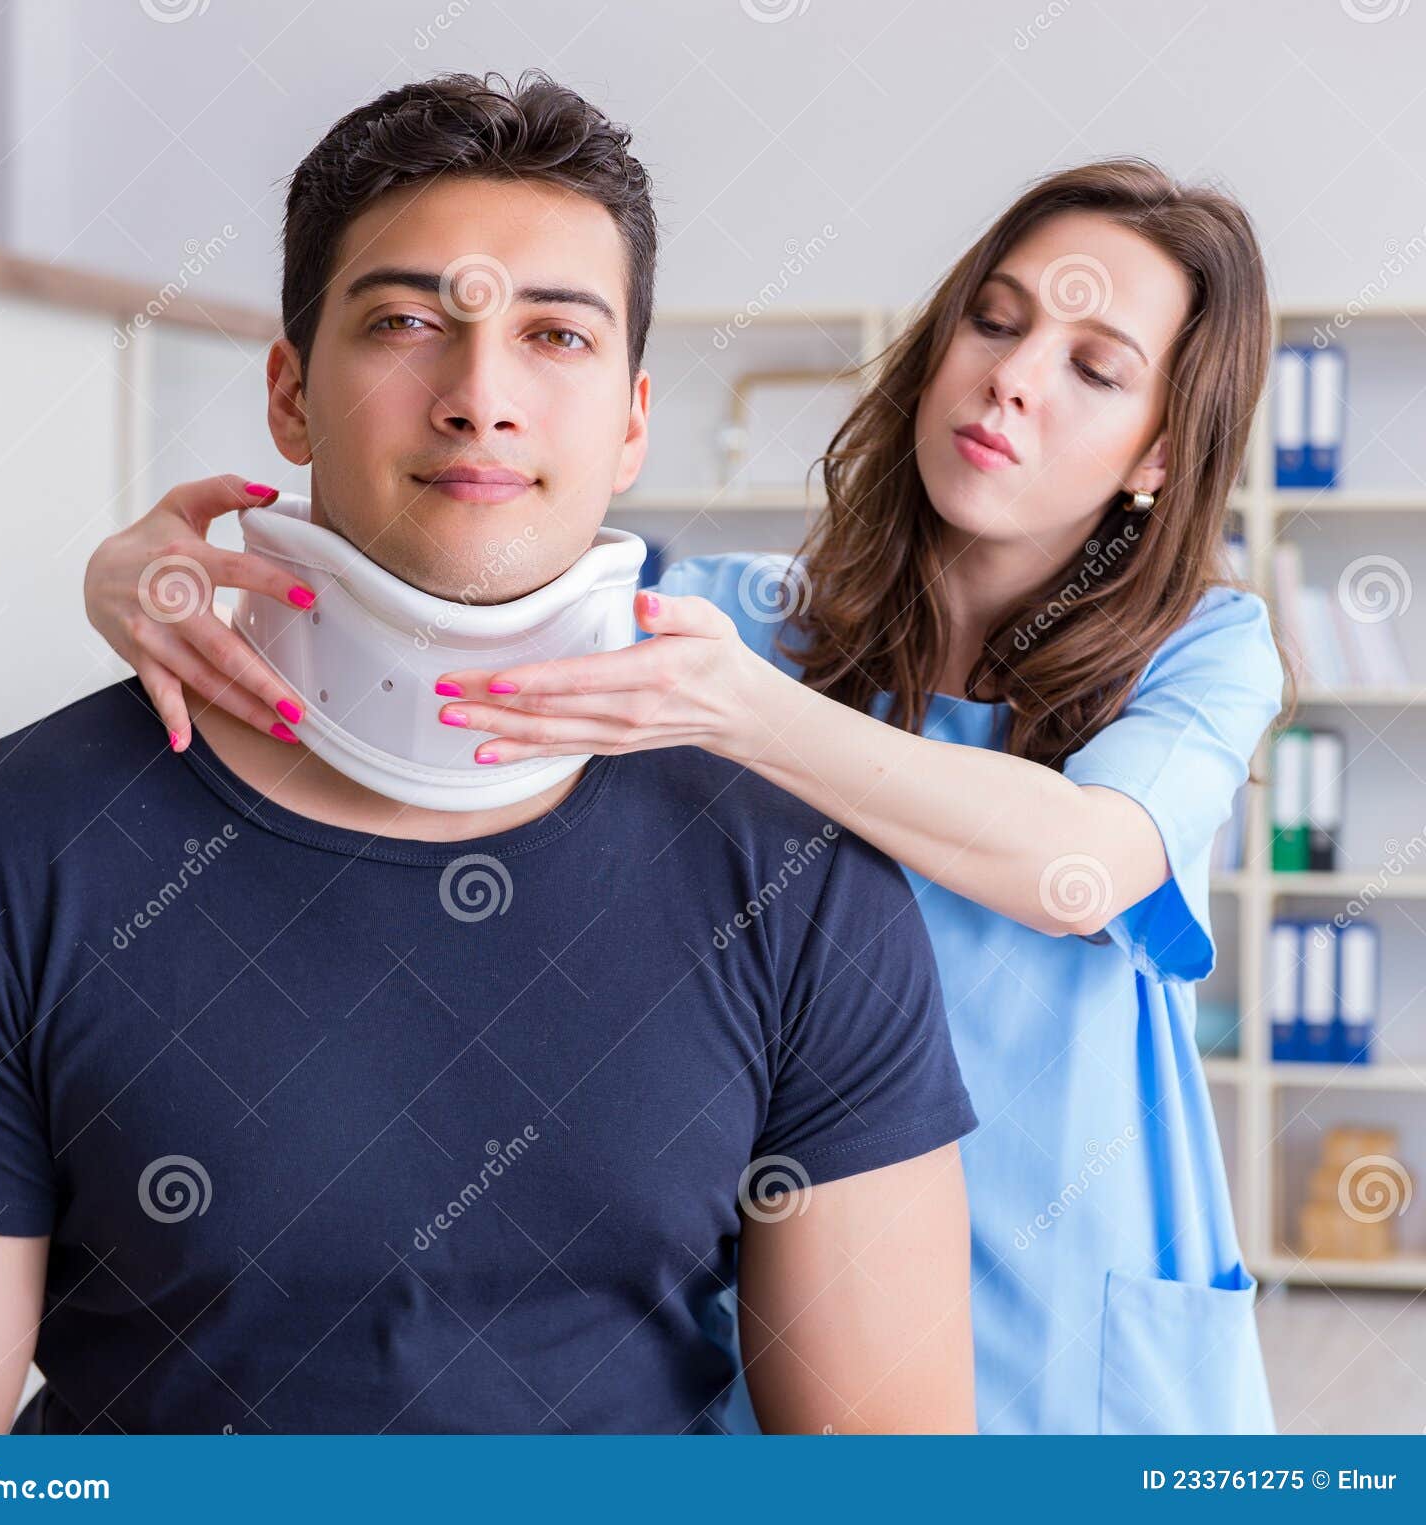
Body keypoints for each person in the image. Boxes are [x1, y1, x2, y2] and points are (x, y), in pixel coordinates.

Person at [0, 72, 978, 1437]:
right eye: (405, 321)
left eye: (556, 335)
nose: (479, 395)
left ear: (631, 423)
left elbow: (886, 1476)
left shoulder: (800, 884)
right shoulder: (1, 857)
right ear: (290, 395)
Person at [87, 139, 1290, 1433]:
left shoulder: (1204, 648)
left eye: (1094, 368)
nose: (1012, 377)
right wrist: (142, 577)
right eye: (992, 322)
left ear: (1158, 455)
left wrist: (750, 711)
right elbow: (450, 622)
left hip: (1065, 1312)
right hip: (799, 1288)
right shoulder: (743, 616)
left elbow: (1082, 866)